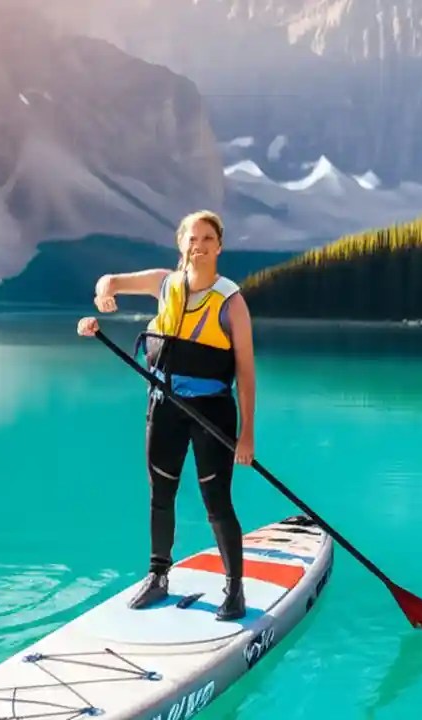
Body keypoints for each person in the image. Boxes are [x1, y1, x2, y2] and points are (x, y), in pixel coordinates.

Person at [76, 209, 256, 622]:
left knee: (216, 502)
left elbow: (245, 373)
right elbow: (111, 281)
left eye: (207, 239)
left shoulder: (231, 302)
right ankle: (158, 576)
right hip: (164, 406)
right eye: (192, 239)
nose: (199, 246)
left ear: (219, 246)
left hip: (212, 413)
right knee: (161, 494)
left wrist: (247, 435)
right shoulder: (164, 283)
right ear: (181, 245)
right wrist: (105, 294)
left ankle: (235, 588)